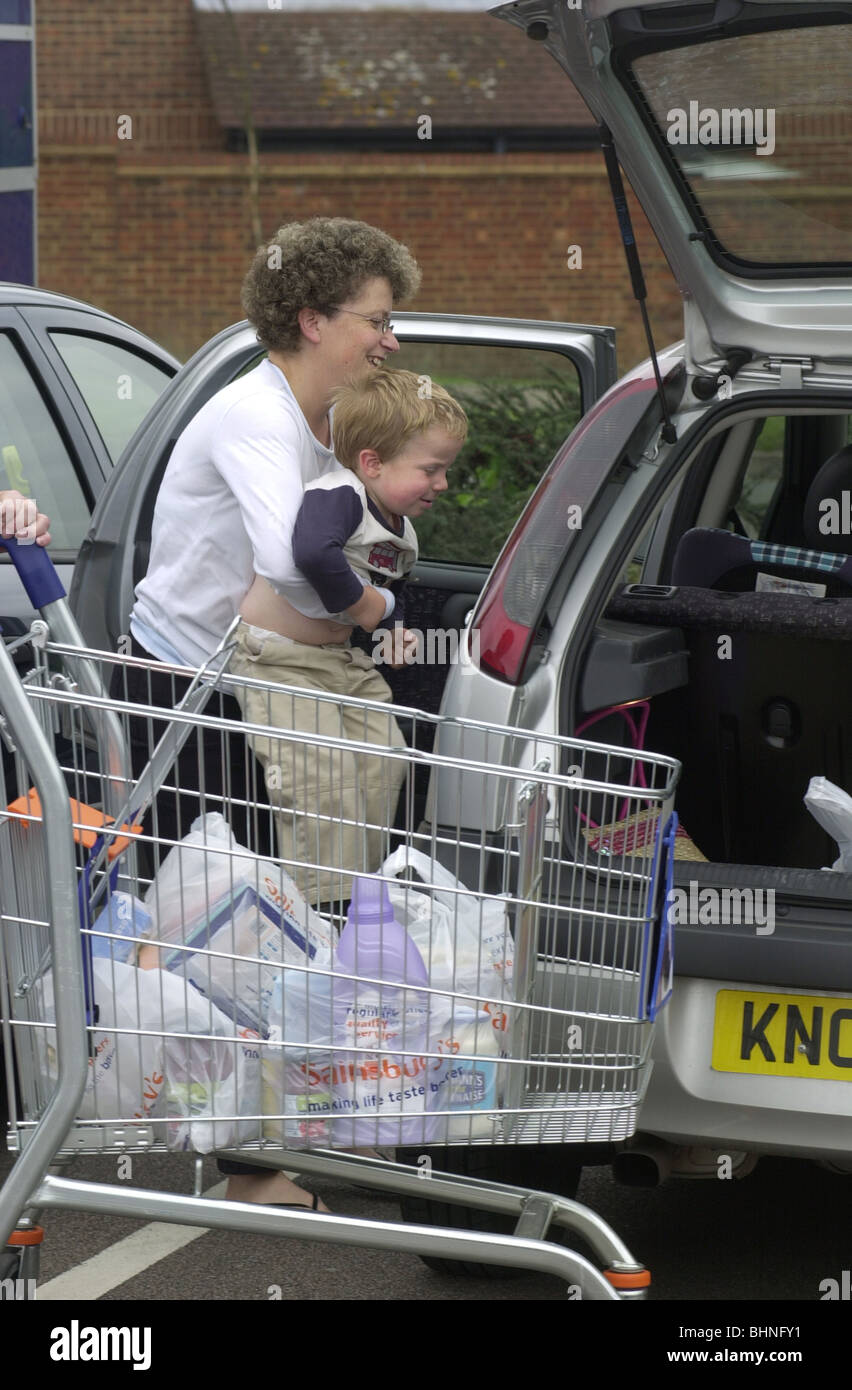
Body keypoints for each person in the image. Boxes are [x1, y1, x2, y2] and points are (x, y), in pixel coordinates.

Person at [126, 217, 421, 1211]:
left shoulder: (318, 423)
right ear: (313, 317)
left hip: (249, 684)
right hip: (187, 694)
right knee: (221, 919)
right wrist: (378, 611)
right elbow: (298, 558)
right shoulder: (257, 417)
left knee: (264, 913)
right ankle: (243, 1159)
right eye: (377, 319)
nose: (391, 338)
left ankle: (257, 1141)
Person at [234, 369, 467, 907]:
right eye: (431, 470)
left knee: (384, 758)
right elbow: (313, 554)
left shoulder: (398, 527)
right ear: (371, 463)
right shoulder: (339, 495)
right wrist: (367, 607)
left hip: (340, 661)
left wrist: (394, 625)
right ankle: (324, 908)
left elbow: (385, 588)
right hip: (281, 661)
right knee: (322, 782)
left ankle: (362, 888)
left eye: (446, 470)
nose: (443, 484)